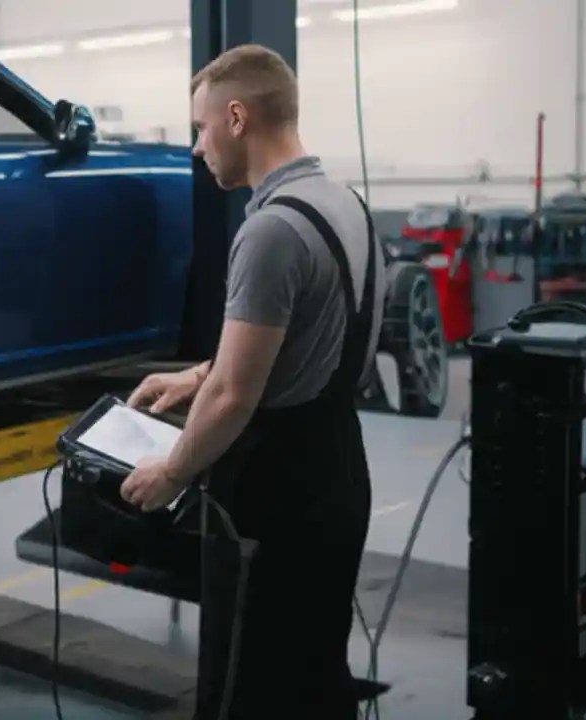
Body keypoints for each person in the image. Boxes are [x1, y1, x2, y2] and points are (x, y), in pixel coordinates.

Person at [119, 43, 384, 718]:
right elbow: (303, 335)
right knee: (315, 677)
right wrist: (196, 374)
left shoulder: (270, 231)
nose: (197, 147)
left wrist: (172, 471)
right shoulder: (345, 204)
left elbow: (237, 396)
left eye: (201, 128)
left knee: (249, 687)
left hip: (274, 493)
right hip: (337, 472)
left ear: (236, 118)